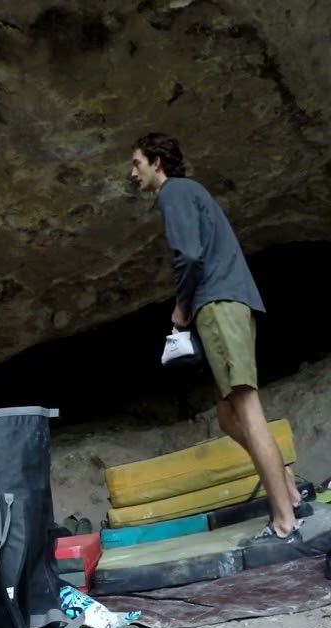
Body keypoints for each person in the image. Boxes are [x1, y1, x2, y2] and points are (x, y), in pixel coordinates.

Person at [130, 132, 309, 545]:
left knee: (246, 410)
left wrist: (180, 309)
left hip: (217, 305)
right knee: (229, 416)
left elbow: (189, 255)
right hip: (229, 302)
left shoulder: (173, 193)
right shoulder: (191, 192)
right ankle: (290, 491)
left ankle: (284, 520)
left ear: (157, 162)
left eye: (137, 162)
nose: (132, 172)